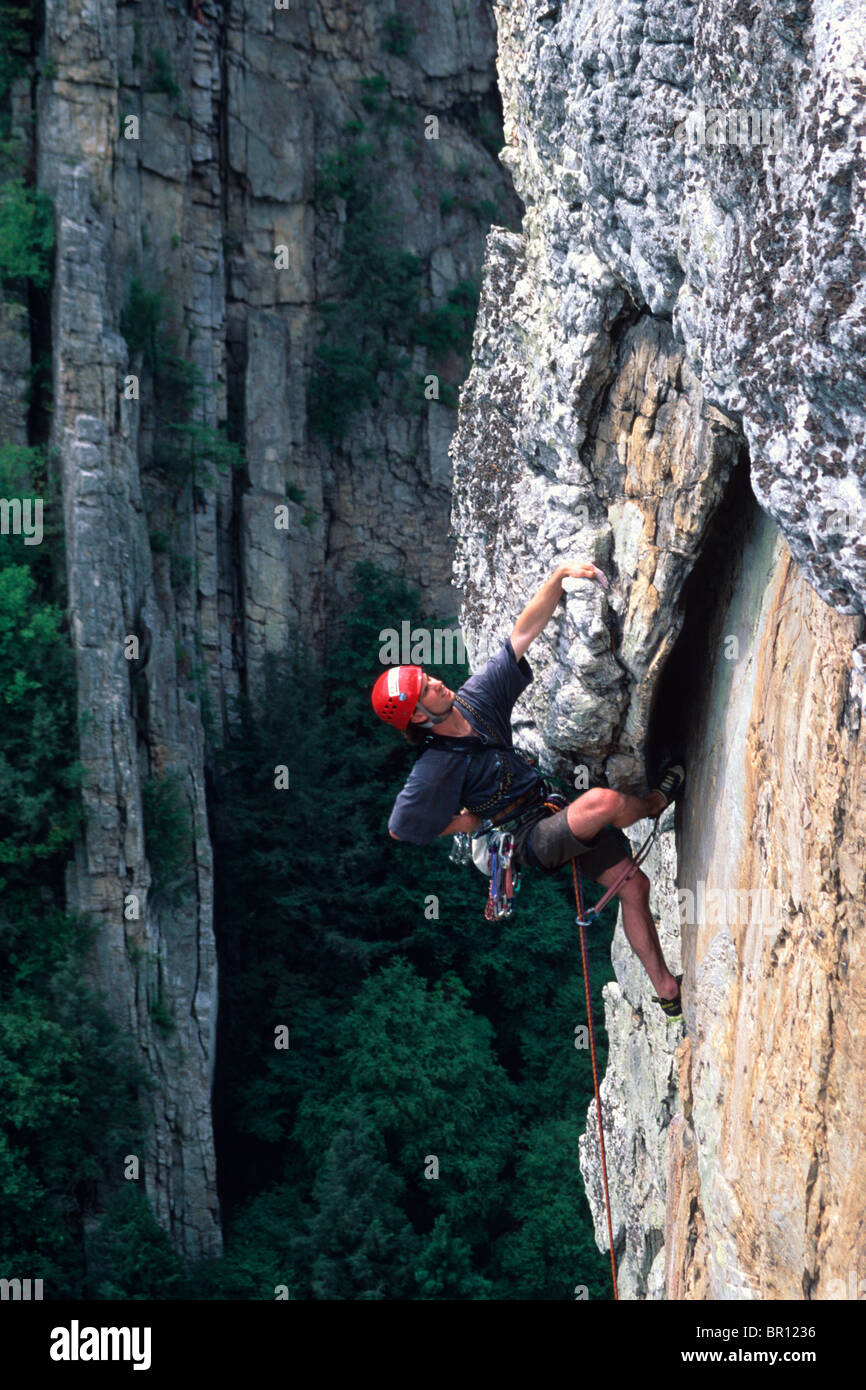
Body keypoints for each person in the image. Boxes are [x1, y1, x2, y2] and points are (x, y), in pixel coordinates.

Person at [371, 563, 686, 1019]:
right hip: (524, 842)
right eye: (426, 688)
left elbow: (521, 635)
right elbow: (401, 829)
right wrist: (466, 822)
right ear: (419, 716)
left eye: (427, 676)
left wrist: (558, 579)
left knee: (633, 886)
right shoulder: (434, 766)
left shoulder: (474, 702)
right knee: (601, 803)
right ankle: (657, 801)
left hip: (547, 809)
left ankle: (667, 991)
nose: (437, 681)